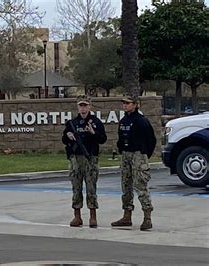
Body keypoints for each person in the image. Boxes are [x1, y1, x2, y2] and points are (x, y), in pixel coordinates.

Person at [111, 95, 156, 231]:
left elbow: (151, 140)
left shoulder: (142, 121)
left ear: (135, 104)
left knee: (141, 186)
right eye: (123, 103)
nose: (125, 105)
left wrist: (143, 155)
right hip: (126, 155)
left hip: (138, 154)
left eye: (128, 103)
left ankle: (147, 217)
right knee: (126, 186)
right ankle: (127, 215)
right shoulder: (124, 121)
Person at [62, 95, 107, 228]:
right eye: (81, 105)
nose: (83, 108)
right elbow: (64, 139)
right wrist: (68, 136)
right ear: (77, 107)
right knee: (76, 188)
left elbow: (102, 139)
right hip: (76, 159)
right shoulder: (72, 123)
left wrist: (93, 132)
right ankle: (77, 216)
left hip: (90, 158)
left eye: (85, 105)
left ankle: (93, 216)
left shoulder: (95, 122)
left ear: (90, 106)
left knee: (91, 187)